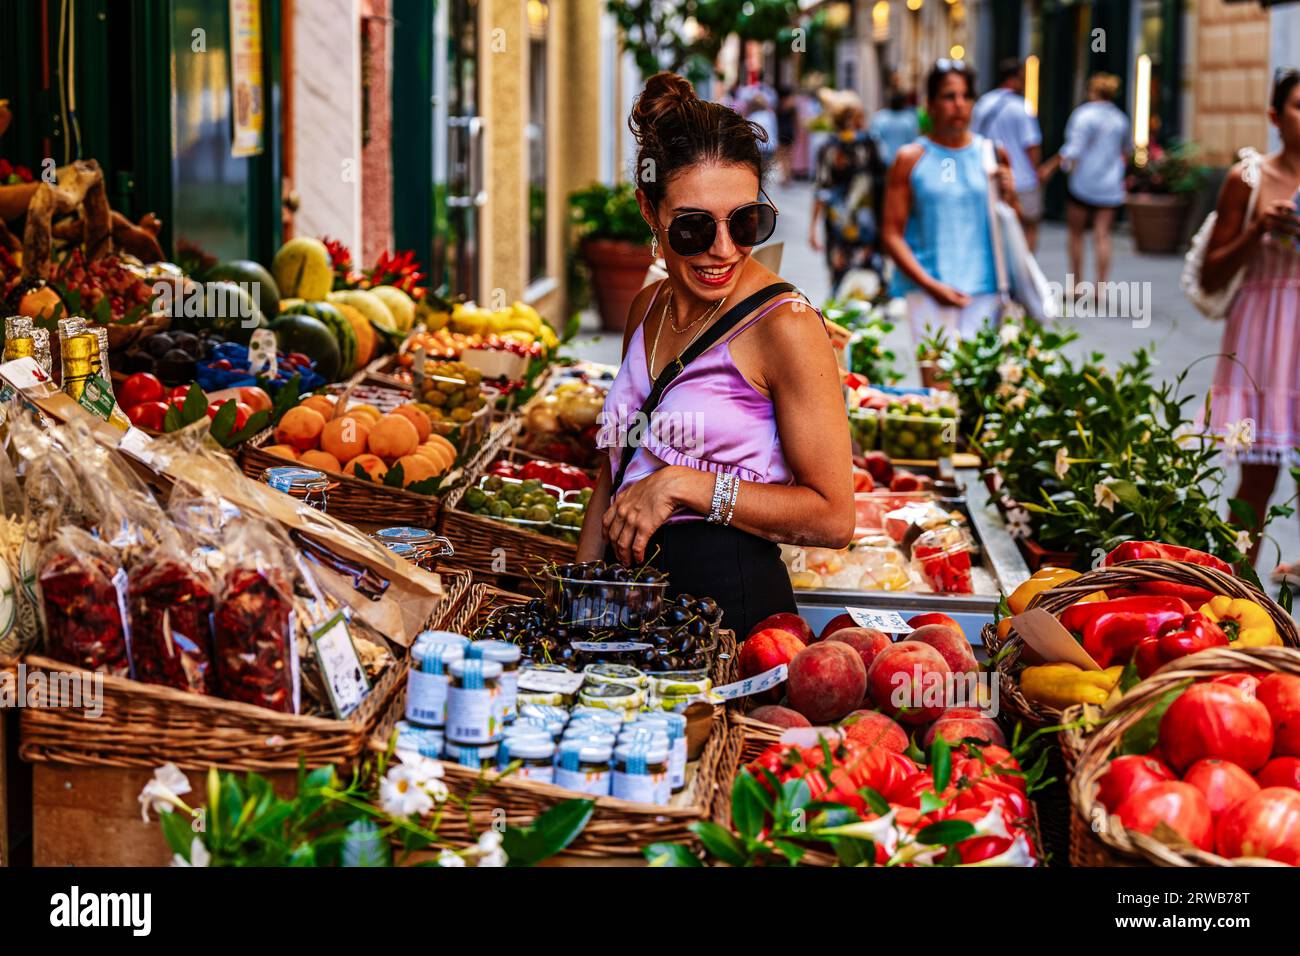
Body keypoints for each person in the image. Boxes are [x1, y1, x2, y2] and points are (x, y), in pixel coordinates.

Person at [576, 72, 855, 639]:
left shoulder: (785, 326)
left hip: (731, 619)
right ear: (649, 211)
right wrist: (580, 600)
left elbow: (833, 516)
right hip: (628, 612)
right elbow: (613, 475)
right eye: (694, 227)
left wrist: (686, 485)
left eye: (746, 220)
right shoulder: (647, 308)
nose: (723, 249)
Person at [1201, 67, 1300, 575]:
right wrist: (1259, 229)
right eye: (1299, 106)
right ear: (1274, 117)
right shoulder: (1248, 177)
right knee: (1258, 476)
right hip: (1264, 333)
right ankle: (1234, 588)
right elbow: (1212, 272)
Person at [881, 60, 1019, 341]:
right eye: (949, 96)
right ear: (930, 105)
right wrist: (929, 285)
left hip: (985, 289)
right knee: (937, 386)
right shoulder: (910, 158)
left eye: (966, 96)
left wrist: (1011, 195)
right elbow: (891, 233)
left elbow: (1012, 226)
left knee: (979, 385)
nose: (959, 104)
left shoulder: (993, 153)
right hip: (928, 291)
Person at [1039, 73, 1130, 285]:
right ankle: (1100, 286)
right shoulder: (1120, 119)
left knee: (1076, 234)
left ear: (1092, 91)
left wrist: (1050, 167)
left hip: (1083, 182)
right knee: (1103, 235)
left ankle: (1077, 285)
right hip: (1109, 183)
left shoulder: (1083, 115)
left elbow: (1073, 149)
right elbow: (1125, 151)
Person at [809, 90, 886, 294]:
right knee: (868, 278)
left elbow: (821, 189)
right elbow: (882, 181)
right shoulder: (869, 143)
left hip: (838, 223)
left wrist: (812, 228)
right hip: (867, 222)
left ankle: (839, 320)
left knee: (839, 277)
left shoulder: (827, 147)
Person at [973, 58, 1043, 250]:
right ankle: (1024, 267)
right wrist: (1037, 171)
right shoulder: (1022, 107)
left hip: (989, 176)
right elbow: (1032, 145)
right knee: (1028, 226)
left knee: (995, 229)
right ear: (1014, 79)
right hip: (1023, 178)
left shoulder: (983, 104)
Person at [869, 89, 920, 170]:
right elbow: (913, 141)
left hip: (886, 162)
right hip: (900, 162)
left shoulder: (880, 117)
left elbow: (874, 139)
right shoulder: (910, 119)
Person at [747, 94, 779, 164]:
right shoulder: (770, 115)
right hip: (770, 146)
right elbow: (774, 130)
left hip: (758, 148)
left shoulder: (752, 117)